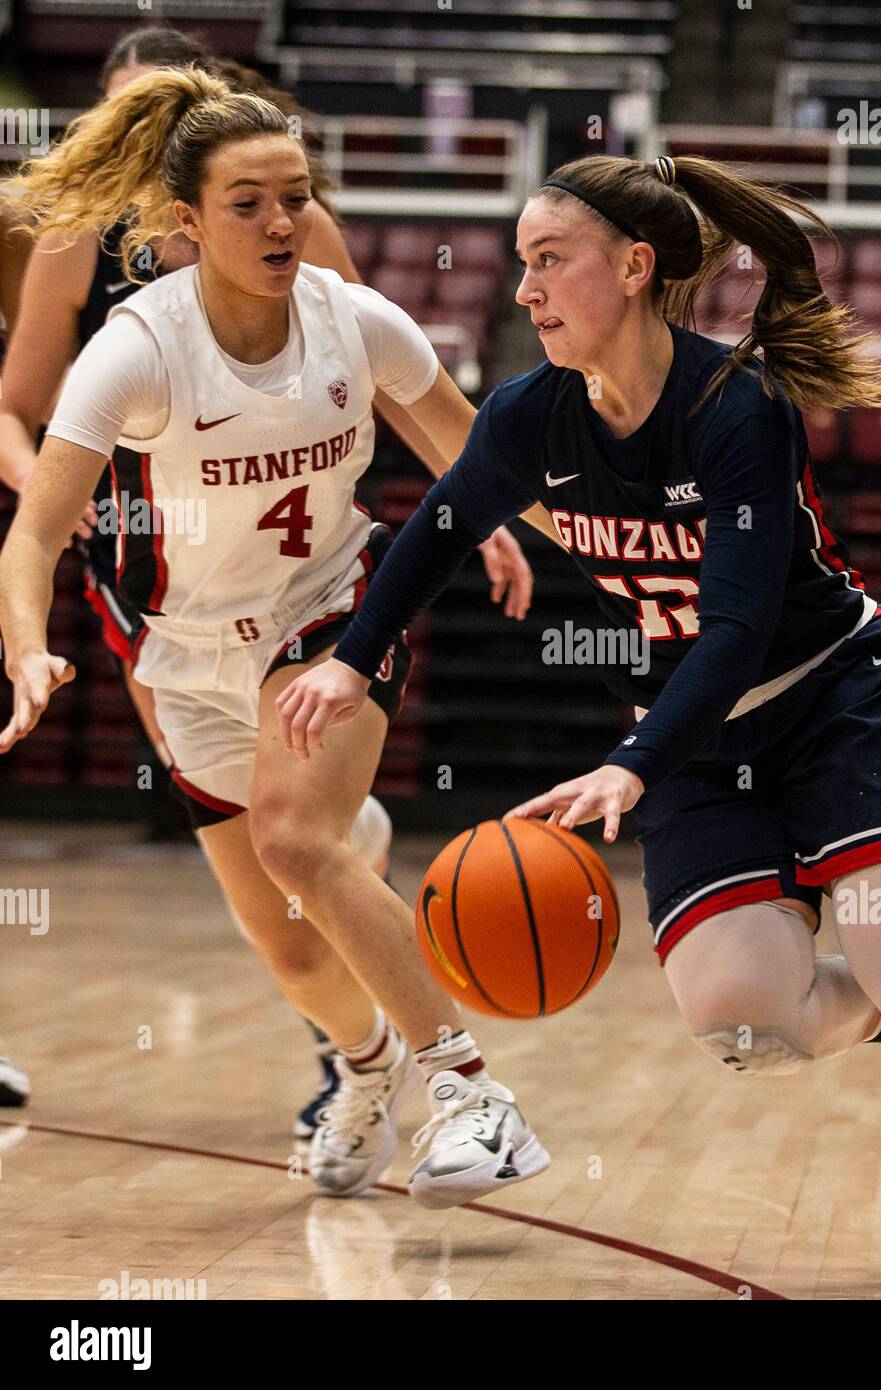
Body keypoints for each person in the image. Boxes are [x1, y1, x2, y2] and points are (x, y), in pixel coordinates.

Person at [278, 153, 881, 1298]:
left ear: (636, 266)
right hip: (697, 745)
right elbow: (439, 527)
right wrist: (353, 662)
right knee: (745, 1023)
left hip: (835, 704)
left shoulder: (732, 406)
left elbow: (743, 625)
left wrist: (633, 763)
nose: (523, 292)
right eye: (519, 266)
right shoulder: (528, 414)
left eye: (548, 262)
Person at [0, 66, 554, 1206]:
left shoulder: (356, 321)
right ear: (182, 223)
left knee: (299, 841)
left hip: (334, 607)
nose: (280, 221)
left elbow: (483, 461)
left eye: (294, 196)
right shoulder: (137, 347)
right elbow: (35, 533)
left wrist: (645, 556)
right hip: (189, 652)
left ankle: (473, 1097)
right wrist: (24, 645)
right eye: (247, 202)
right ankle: (367, 1069)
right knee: (292, 944)